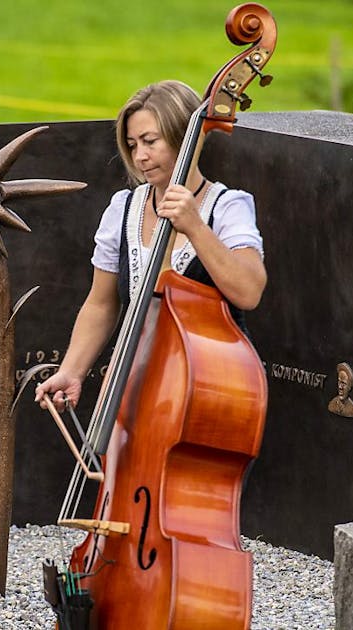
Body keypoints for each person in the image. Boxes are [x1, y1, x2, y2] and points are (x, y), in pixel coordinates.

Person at [35, 80, 266, 410]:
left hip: (209, 391)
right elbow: (101, 304)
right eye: (132, 145)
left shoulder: (228, 207)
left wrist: (196, 228)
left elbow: (249, 291)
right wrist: (72, 370)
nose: (140, 156)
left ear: (183, 137)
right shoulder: (124, 208)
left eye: (150, 141)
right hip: (133, 386)